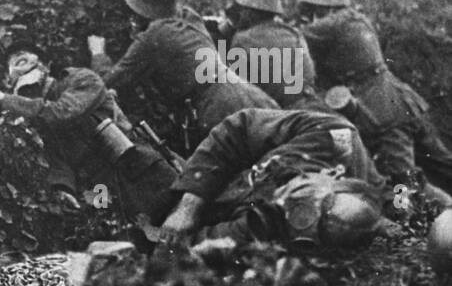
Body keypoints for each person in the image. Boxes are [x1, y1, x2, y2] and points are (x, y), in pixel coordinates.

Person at [0, 42, 175, 224]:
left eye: (26, 54)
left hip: (143, 172)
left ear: (46, 66)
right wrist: (64, 188)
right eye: (12, 61)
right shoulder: (31, 118)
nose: (18, 57)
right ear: (8, 80)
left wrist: (0, 97)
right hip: (106, 189)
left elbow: (62, 112)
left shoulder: (81, 79)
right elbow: (56, 155)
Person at [296, 0, 452, 202]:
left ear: (320, 4)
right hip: (402, 101)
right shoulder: (354, 19)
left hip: (384, 116)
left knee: (404, 185)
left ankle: (415, 231)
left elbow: (292, 40)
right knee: (442, 165)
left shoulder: (332, 26)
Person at [76, 0, 279, 142]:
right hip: (248, 95)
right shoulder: (188, 16)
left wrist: (97, 54)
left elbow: (110, 81)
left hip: (218, 109)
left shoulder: (154, 36)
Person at [157, 106, 386, 248]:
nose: (280, 201)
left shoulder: (273, 227)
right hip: (205, 173)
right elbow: (238, 129)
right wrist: (189, 204)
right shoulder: (327, 135)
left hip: (214, 203)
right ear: (332, 174)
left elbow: (200, 243)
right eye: (297, 194)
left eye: (293, 213)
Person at [210, 0, 318, 109]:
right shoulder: (293, 34)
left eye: (237, 6)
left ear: (246, 10)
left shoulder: (243, 40)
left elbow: (237, 96)